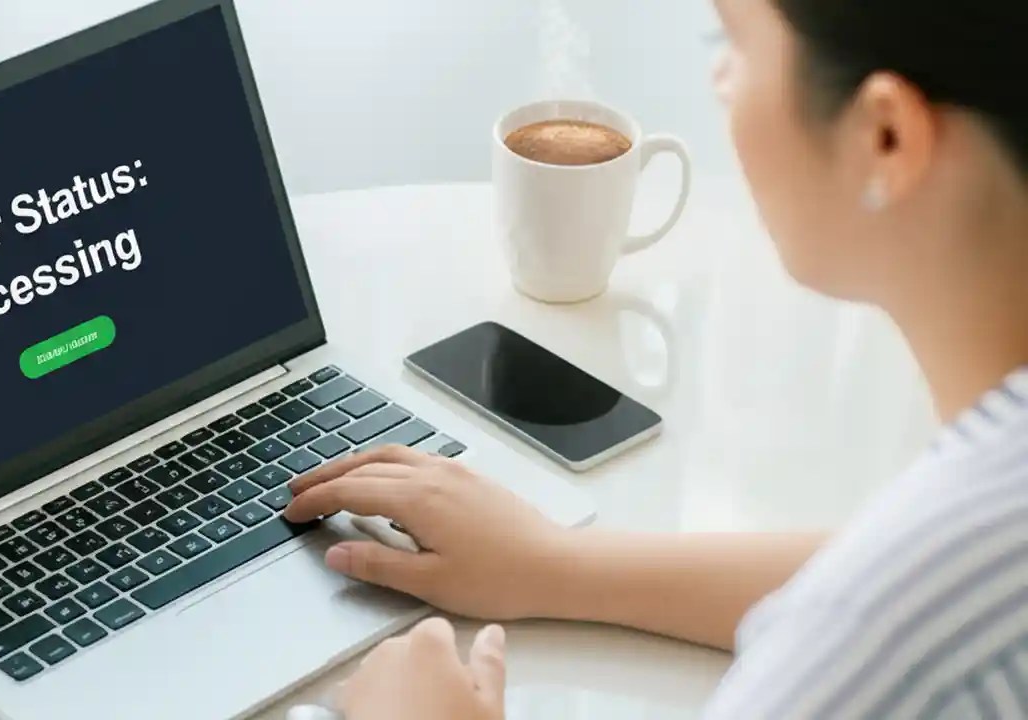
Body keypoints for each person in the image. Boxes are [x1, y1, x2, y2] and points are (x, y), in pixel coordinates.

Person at [283, 0, 1028, 717]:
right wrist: (554, 565)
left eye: (732, 47)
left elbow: (889, 606)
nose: (719, 84)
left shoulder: (875, 654)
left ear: (886, 137)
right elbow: (892, 570)